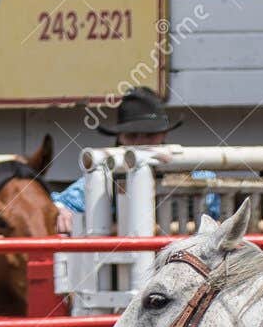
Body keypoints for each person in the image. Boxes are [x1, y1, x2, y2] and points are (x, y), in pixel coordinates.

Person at [53, 87, 218, 229]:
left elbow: (218, 210)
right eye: (132, 136)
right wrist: (60, 210)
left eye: (149, 135)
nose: (140, 143)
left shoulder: (195, 177)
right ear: (120, 139)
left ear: (164, 134)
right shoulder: (104, 179)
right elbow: (61, 203)